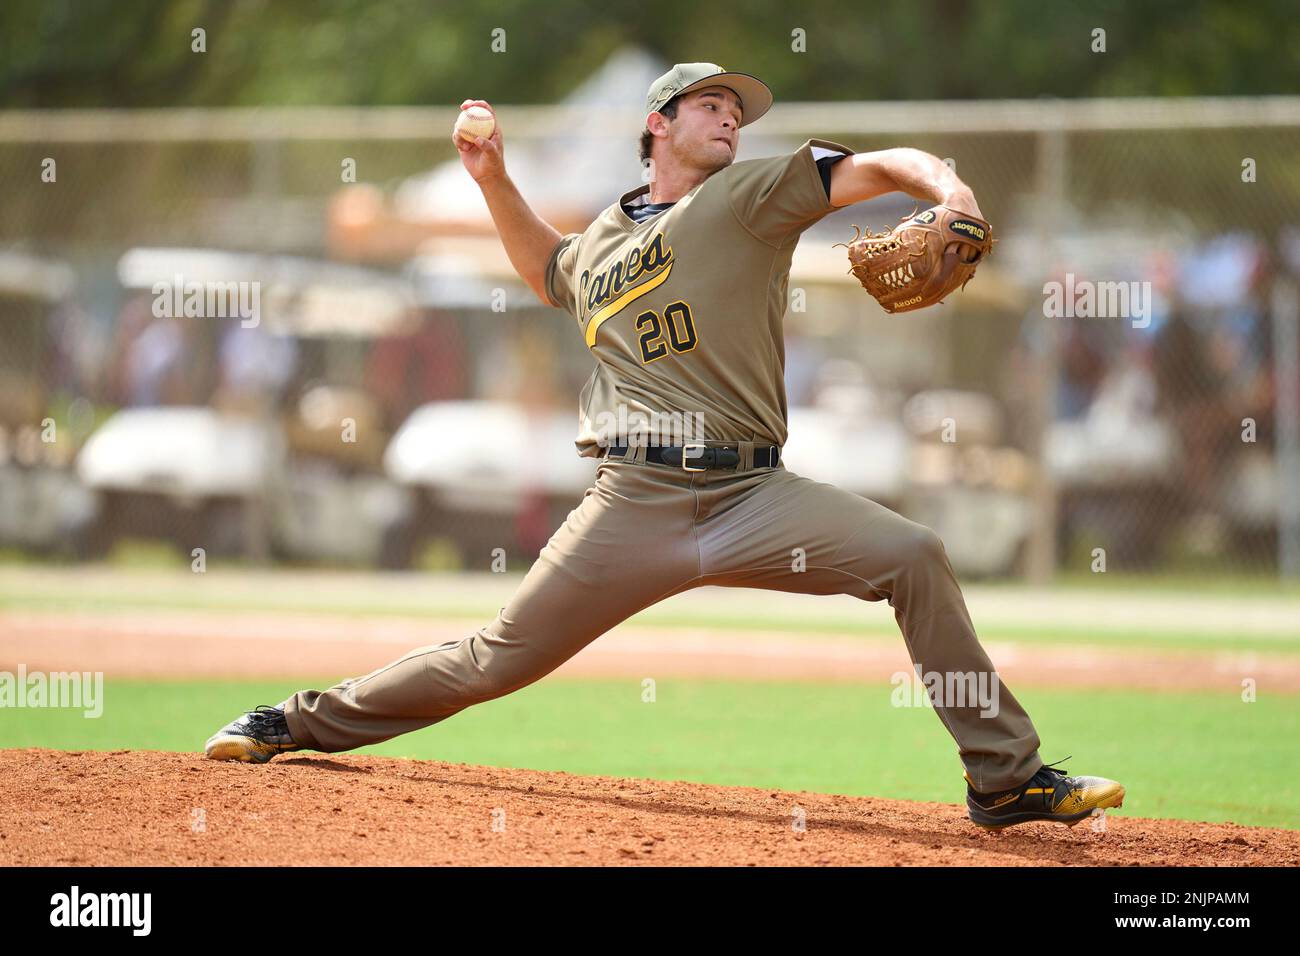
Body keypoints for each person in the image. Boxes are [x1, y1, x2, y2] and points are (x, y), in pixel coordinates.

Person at [205, 63, 1124, 830]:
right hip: (631, 500)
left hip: (757, 500)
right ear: (658, 123)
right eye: (712, 105)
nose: (732, 118)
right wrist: (491, 177)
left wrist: (950, 191)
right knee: (495, 660)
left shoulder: (753, 195)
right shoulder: (602, 239)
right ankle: (294, 722)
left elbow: (885, 164)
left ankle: (1003, 779)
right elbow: (544, 270)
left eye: (739, 110)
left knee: (915, 555)